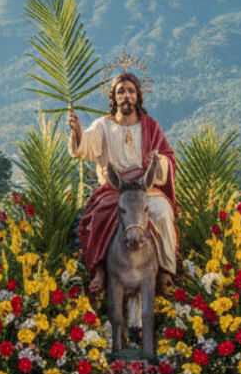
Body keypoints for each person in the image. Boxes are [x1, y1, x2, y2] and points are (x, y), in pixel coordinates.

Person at [67, 71, 177, 294]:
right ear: (114, 98)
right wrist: (78, 132)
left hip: (145, 189)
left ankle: (165, 270)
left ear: (137, 96)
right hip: (115, 189)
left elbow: (168, 157)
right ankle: (100, 270)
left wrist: (155, 161)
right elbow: (85, 147)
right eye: (121, 92)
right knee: (101, 214)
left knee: (163, 211)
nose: (126, 96)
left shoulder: (150, 126)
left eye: (131, 91)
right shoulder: (102, 126)